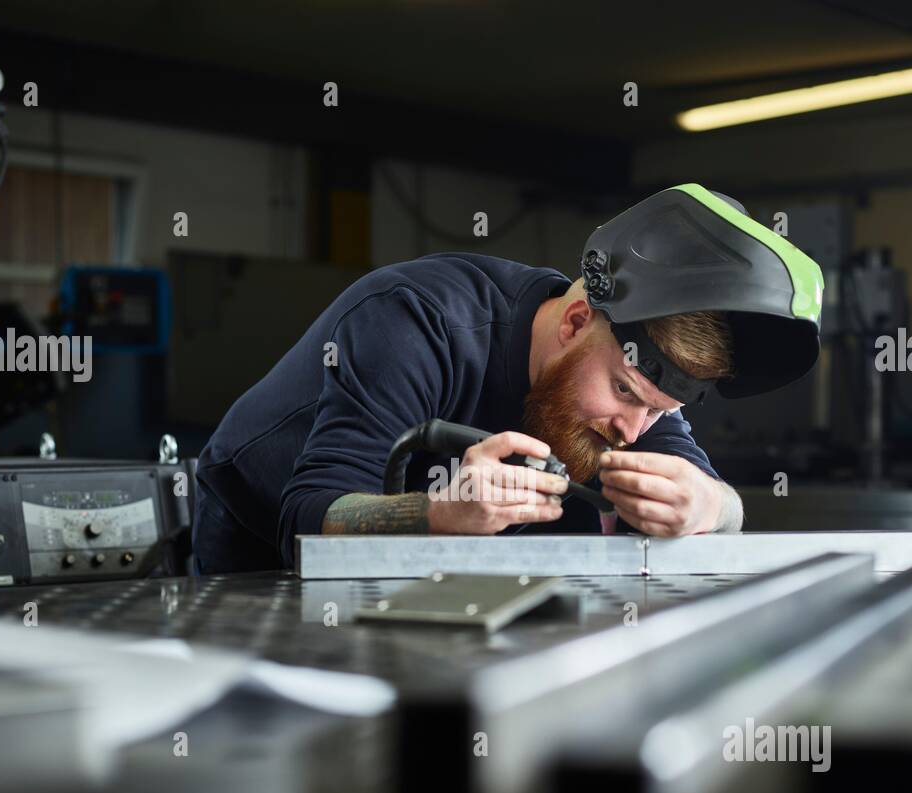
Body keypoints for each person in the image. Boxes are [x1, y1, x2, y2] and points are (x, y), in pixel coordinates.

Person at [194, 183, 823, 573]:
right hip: (257, 546)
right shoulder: (415, 322)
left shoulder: (638, 391)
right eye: (625, 393)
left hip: (433, 572)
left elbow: (716, 501)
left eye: (659, 411)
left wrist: (710, 506)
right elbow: (307, 524)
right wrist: (440, 514)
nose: (633, 431)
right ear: (576, 321)